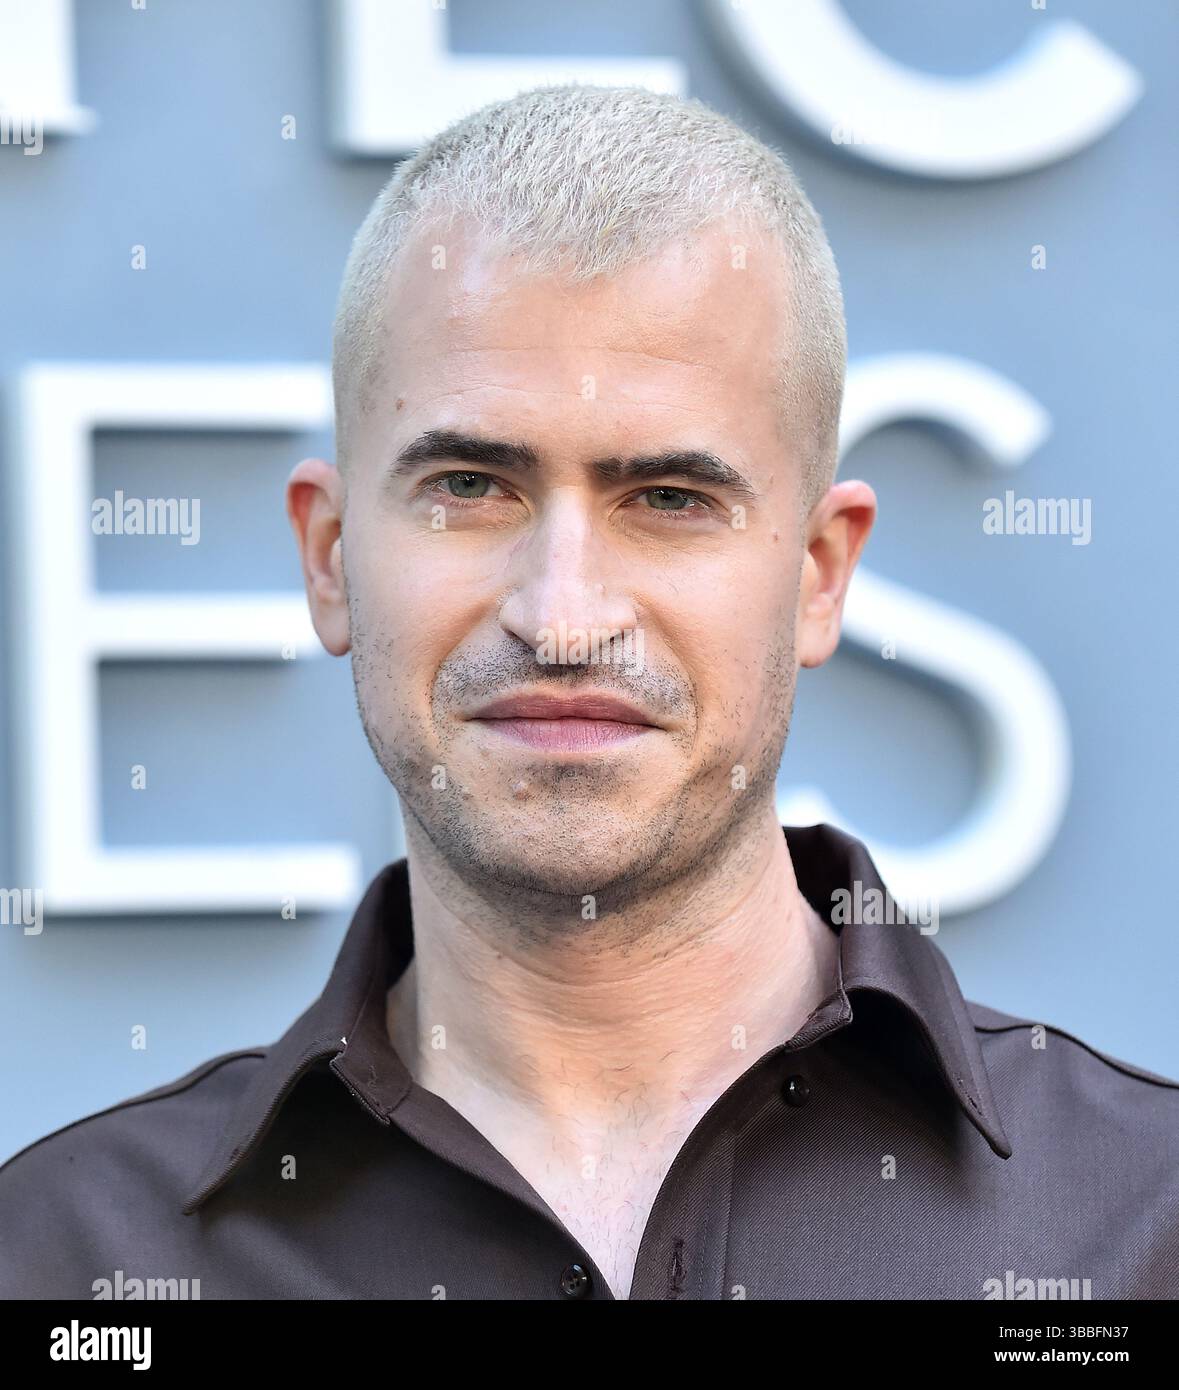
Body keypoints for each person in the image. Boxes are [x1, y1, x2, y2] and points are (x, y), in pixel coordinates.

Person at [2, 84, 1175, 1302]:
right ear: (331, 558)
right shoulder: (67, 1264)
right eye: (470, 484)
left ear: (819, 576)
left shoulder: (1145, 1225)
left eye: (669, 499)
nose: (563, 618)